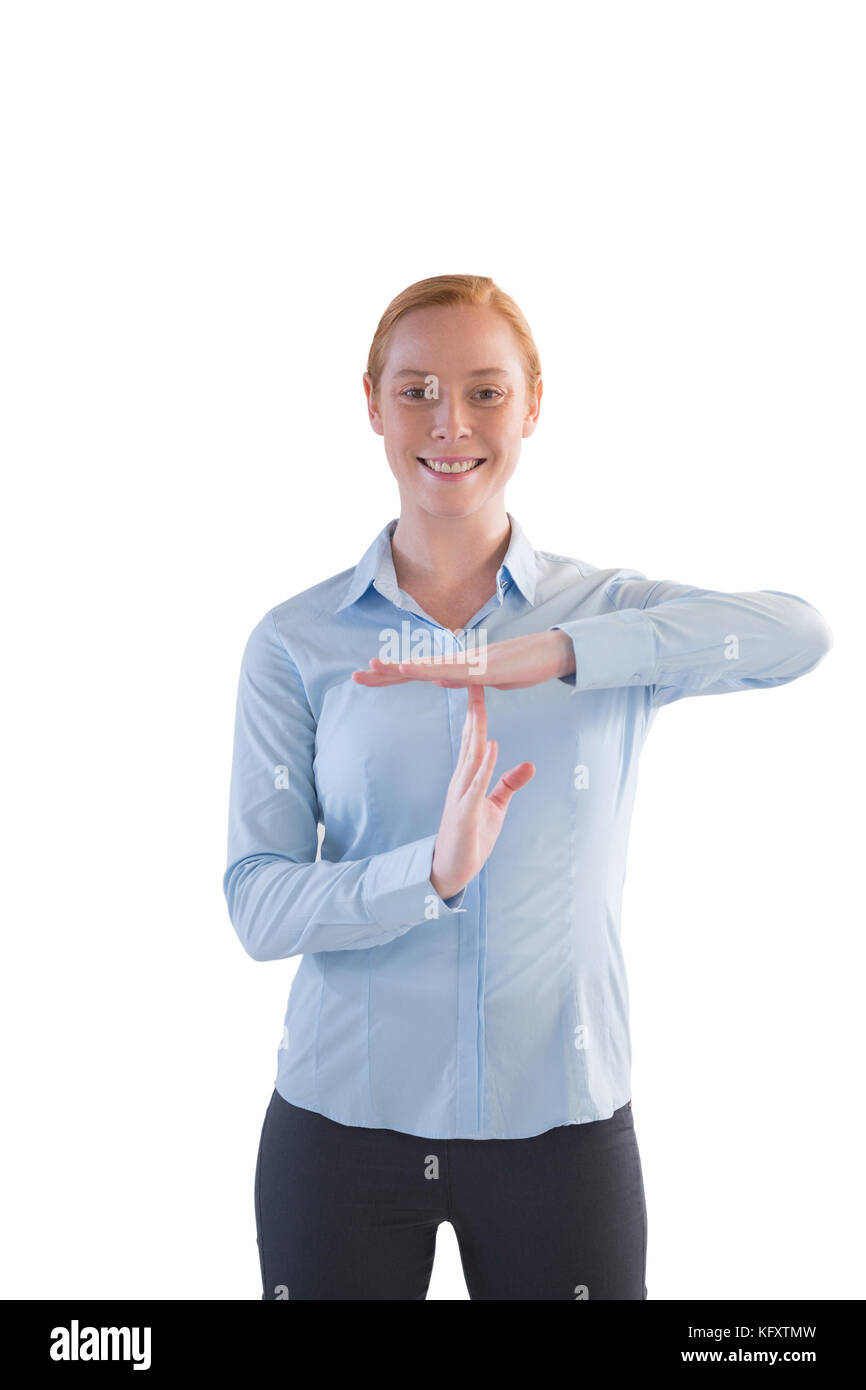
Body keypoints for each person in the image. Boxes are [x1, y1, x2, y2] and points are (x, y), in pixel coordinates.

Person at [223, 274, 833, 1300]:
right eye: (414, 389)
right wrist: (430, 873)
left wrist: (555, 653)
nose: (448, 422)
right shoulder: (296, 642)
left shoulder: (608, 614)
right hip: (342, 1130)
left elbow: (797, 634)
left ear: (533, 405)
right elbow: (257, 900)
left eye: (484, 392)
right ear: (369, 403)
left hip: (558, 1131)